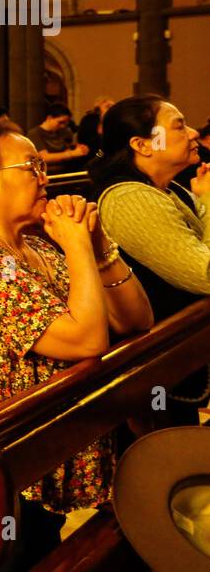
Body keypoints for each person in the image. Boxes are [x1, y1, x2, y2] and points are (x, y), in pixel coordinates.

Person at [0, 124, 152, 566]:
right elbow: (87, 339)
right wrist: (75, 246)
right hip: (0, 448)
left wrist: (98, 244)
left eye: (41, 165)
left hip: (44, 436)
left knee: (42, 547)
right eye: (30, 166)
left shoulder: (36, 248)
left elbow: (135, 320)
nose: (44, 176)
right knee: (18, 555)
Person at [92, 96, 210, 426]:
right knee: (166, 452)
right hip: (154, 369)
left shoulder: (170, 190)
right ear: (143, 144)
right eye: (179, 125)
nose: (192, 133)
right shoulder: (130, 199)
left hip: (178, 352)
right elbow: (205, 274)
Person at [28, 104, 91, 172]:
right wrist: (71, 154)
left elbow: (70, 147)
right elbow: (44, 157)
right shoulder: (35, 134)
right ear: (49, 118)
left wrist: (79, 148)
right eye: (61, 122)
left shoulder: (65, 131)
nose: (63, 126)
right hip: (48, 172)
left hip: (67, 170)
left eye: (66, 123)